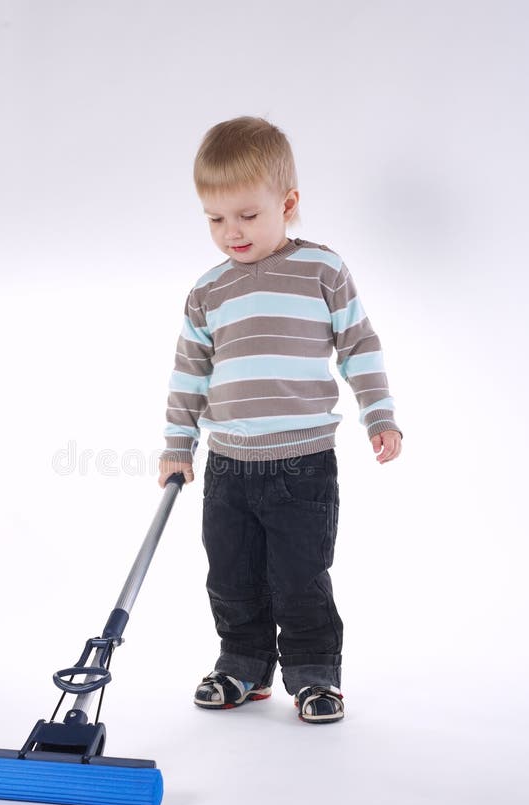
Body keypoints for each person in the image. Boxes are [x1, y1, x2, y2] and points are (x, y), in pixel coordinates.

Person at [158, 116, 402, 724]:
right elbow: (190, 372)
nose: (230, 232)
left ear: (287, 204)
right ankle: (242, 664)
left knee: (300, 576)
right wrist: (176, 445)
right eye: (215, 219)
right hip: (228, 467)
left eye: (246, 215)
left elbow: (359, 345)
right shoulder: (208, 292)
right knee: (232, 574)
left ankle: (316, 674)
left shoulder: (321, 270)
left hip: (303, 465)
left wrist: (380, 415)